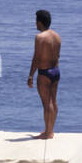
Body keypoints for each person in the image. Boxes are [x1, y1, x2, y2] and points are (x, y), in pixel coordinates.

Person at [26, 9, 61, 140]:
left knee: (47, 103)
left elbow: (36, 58)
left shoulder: (40, 37)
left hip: (45, 72)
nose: (35, 23)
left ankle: (48, 133)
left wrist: (30, 75)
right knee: (54, 101)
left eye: (36, 21)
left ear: (40, 22)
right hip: (56, 71)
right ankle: (50, 130)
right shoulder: (57, 36)